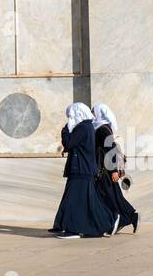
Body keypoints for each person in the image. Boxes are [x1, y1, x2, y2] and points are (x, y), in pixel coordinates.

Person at [49, 103, 118, 239]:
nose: (70, 118)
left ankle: (74, 229)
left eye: (71, 115)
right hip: (80, 169)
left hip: (81, 169)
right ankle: (66, 225)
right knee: (81, 200)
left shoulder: (83, 127)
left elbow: (69, 144)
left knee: (75, 200)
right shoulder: (85, 127)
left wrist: (65, 131)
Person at [93, 102, 138, 234]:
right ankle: (126, 218)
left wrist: (113, 171)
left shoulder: (102, 129)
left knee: (110, 195)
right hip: (105, 169)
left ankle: (129, 216)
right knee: (113, 195)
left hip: (105, 170)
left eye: (93, 112)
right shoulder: (103, 127)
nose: (91, 114)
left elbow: (110, 150)